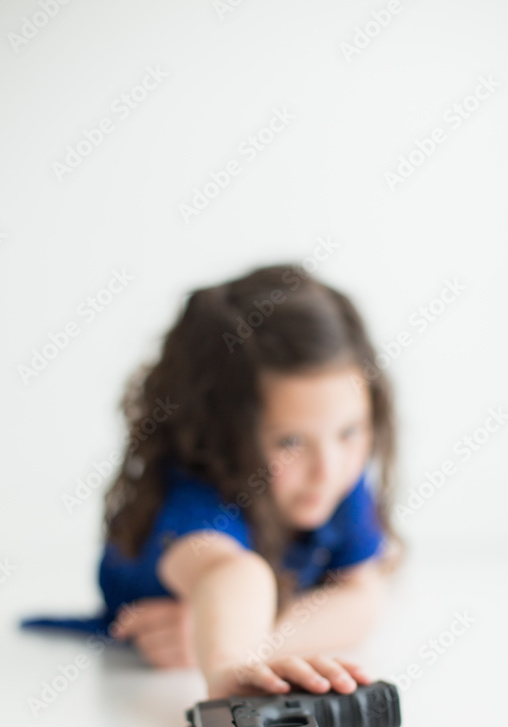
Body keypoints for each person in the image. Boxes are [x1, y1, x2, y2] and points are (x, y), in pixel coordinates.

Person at [21, 263, 405, 699]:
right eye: (291, 441)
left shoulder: (332, 480)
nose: (328, 467)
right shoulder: (192, 496)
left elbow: (364, 599)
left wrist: (244, 637)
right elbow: (233, 575)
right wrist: (229, 665)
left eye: (349, 431)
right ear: (223, 434)